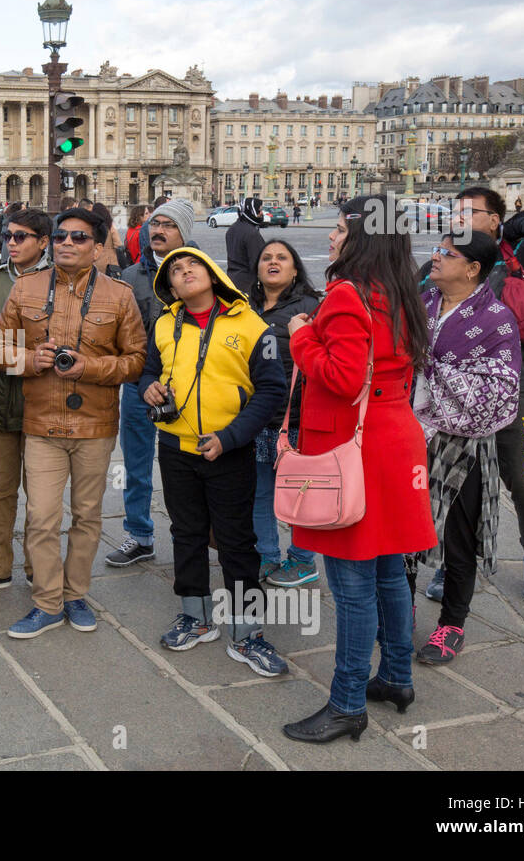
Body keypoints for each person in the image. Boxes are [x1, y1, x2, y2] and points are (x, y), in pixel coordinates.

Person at [281, 195, 436, 744]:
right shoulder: (400, 289)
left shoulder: (347, 294)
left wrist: (302, 333)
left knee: (351, 585)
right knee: (390, 570)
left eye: (340, 228)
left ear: (362, 236)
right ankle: (395, 676)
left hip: (353, 444)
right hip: (393, 438)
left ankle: (347, 703)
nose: (331, 236)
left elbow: (343, 378)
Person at [0, 206, 147, 638]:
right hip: (41, 424)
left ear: (98, 247)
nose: (66, 243)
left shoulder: (118, 296)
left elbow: (136, 362)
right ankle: (46, 602)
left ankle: (75, 594)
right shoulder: (25, 288)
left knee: (87, 516)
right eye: (60, 235)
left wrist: (90, 368)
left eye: (79, 238)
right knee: (41, 517)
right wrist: (29, 359)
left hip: (94, 427)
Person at [139, 246, 289, 675]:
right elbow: (148, 373)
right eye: (176, 272)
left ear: (212, 274)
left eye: (193, 266)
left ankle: (248, 632)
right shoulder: (165, 324)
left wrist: (232, 436)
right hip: (175, 448)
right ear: (169, 288)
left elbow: (271, 391)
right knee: (185, 532)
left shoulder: (249, 324)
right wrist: (148, 387)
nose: (185, 274)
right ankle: (195, 615)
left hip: (229, 449)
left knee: (237, 542)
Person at [439, 190, 524, 603]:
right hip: (454, 393)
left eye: (468, 212)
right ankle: (453, 561)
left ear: (494, 220)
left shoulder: (513, 257)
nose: (458, 219)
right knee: (456, 481)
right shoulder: (443, 260)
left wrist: (499, 232)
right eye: (454, 212)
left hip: (516, 385)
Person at [411, 231, 521, 665]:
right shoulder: (422, 305)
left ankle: (451, 624)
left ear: (473, 268)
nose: (434, 258)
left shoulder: (496, 319)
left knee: (458, 539)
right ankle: (403, 611)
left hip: (464, 447)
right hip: (410, 439)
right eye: (437, 250)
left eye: (446, 253)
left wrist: (433, 368)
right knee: (404, 532)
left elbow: (499, 392)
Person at [105, 199, 198, 568]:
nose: (157, 230)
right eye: (155, 223)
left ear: (184, 233)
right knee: (136, 463)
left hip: (191, 387)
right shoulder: (130, 277)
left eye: (168, 225)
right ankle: (140, 534)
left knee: (189, 466)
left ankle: (193, 534)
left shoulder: (200, 274)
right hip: (138, 386)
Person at [0, 207, 52, 594]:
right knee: (2, 491)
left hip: (43, 405)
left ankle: (39, 568)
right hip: (1, 403)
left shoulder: (59, 281)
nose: (12, 243)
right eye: (8, 236)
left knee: (41, 498)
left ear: (43, 242)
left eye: (21, 237)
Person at [247, 239, 322, 587]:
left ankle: (303, 560)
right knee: (259, 492)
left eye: (281, 257)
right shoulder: (245, 306)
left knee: (300, 494)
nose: (272, 262)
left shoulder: (311, 306)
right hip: (257, 417)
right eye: (266, 258)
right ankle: (266, 555)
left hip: (299, 421)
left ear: (295, 269)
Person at [224, 196, 266, 290]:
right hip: (247, 285)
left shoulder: (232, 229)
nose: (261, 213)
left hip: (231, 280)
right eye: (259, 210)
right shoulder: (251, 233)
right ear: (251, 211)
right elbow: (257, 263)